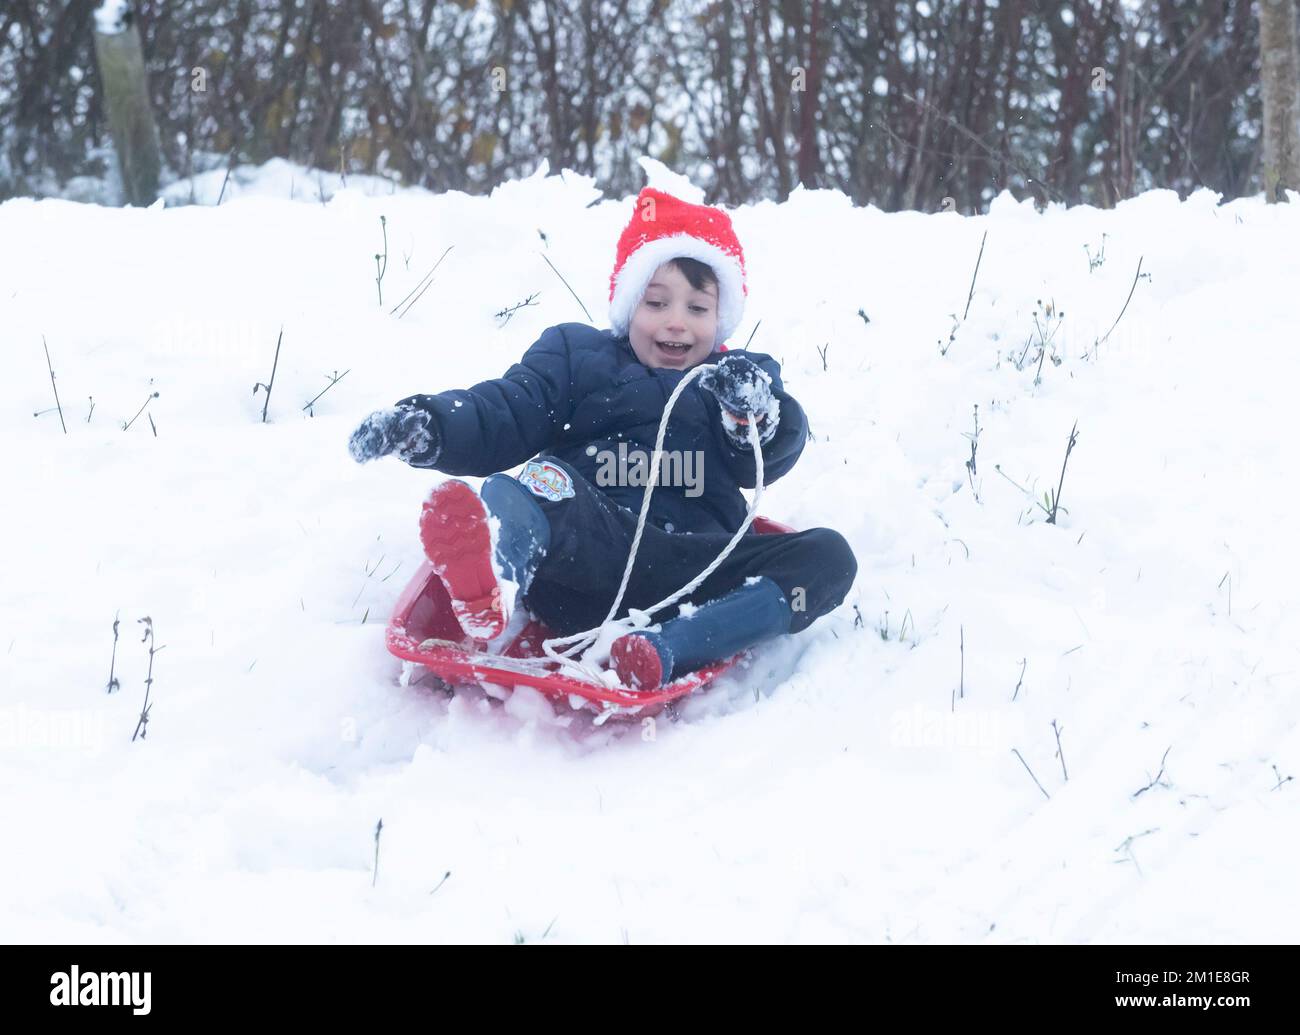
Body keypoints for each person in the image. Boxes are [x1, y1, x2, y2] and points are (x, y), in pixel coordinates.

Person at [349, 187, 856, 690]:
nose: (676, 321)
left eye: (698, 309)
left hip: (700, 572)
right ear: (627, 303)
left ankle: (675, 646)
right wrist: (426, 425)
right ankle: (493, 582)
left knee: (829, 558)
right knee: (532, 485)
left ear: (720, 319)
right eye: (656, 302)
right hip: (588, 562)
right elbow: (505, 409)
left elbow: (770, 450)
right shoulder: (577, 357)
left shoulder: (733, 377)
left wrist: (753, 415)